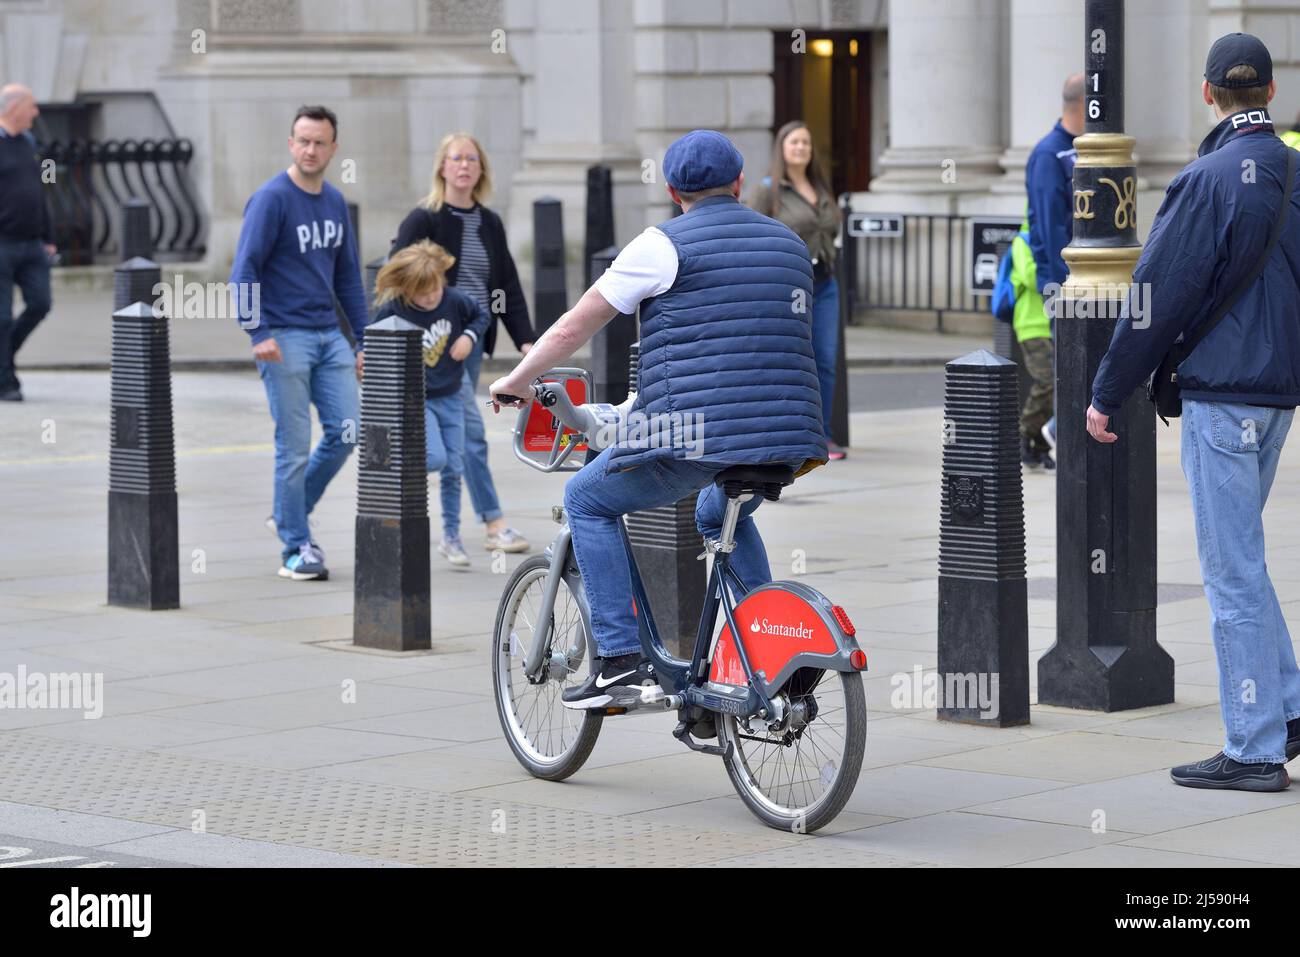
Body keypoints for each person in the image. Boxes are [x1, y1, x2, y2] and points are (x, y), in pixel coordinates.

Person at [488, 129, 827, 710]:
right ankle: (767, 645)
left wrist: (515, 380)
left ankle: (619, 663)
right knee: (717, 510)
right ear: (739, 183)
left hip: (694, 433)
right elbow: (741, 340)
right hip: (788, 435)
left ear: (673, 191)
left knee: (587, 500)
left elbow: (575, 327)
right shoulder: (788, 242)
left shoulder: (662, 245)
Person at [1088, 33, 1300, 792]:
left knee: (1230, 571)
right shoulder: (1293, 172)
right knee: (1245, 557)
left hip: (1222, 397)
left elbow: (1155, 296)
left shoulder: (1207, 179)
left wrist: (1108, 390)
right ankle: (1289, 706)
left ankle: (1253, 746)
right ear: (1270, 93)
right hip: (1279, 398)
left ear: (1209, 94)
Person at [230, 105, 368, 582]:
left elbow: (348, 276)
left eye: (319, 142)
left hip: (329, 336)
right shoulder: (272, 199)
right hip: (283, 337)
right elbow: (243, 269)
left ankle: (289, 514)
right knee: (293, 447)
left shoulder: (333, 201)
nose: (310, 150)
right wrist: (257, 331)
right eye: (302, 141)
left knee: (347, 431)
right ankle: (295, 546)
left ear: (333, 148)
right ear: (291, 144)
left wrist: (364, 339)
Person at [392, 132, 535, 555]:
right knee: (470, 431)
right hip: (435, 346)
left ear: (481, 169)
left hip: (472, 342)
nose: (464, 166)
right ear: (442, 167)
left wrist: (525, 338)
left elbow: (506, 283)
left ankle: (461, 524)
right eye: (456, 159)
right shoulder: (425, 218)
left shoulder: (489, 221)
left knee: (463, 429)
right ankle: (493, 523)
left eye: (472, 159)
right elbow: (397, 277)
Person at [368, 241, 489, 568]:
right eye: (422, 293)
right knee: (435, 458)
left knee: (454, 467)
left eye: (434, 288)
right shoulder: (395, 309)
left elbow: (481, 314)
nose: (430, 297)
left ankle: (451, 536)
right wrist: (364, 358)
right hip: (416, 398)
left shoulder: (453, 300)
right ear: (407, 290)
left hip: (451, 395)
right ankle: (394, 473)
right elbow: (370, 338)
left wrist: (469, 338)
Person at [747, 121, 845, 460]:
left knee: (825, 360)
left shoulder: (819, 185)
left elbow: (832, 227)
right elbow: (751, 233)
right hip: (788, 287)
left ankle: (823, 435)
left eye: (806, 142)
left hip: (825, 283)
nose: (801, 148)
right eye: (794, 142)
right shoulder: (768, 190)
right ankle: (785, 434)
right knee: (789, 360)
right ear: (782, 148)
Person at [1025, 73, 1085, 466]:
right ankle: (1055, 434)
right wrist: (1061, 286)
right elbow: (1049, 228)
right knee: (1069, 367)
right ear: (1084, 105)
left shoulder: (1083, 150)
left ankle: (1059, 432)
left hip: (1082, 281)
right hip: (1064, 284)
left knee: (1082, 366)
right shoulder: (1050, 155)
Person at [0, 84, 55, 402]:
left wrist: (48, 237)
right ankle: (6, 381)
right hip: (3, 244)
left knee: (40, 303)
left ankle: (4, 357)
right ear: (14, 107)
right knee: (2, 317)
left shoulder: (29, 143)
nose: (35, 113)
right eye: (31, 106)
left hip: (32, 243)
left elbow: (40, 191)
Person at [1007, 221, 1055, 473]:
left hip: (1055, 323)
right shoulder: (1023, 241)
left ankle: (1040, 446)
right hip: (1032, 325)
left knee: (1058, 386)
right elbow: (1032, 277)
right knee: (1047, 382)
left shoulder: (1059, 237)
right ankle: (1023, 435)